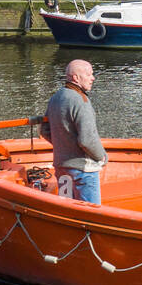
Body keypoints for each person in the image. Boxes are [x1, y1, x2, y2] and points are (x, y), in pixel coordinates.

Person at [40, 59, 107, 205]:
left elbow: (44, 130)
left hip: (61, 168)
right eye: (89, 74)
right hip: (83, 171)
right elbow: (87, 140)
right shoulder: (81, 101)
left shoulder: (55, 98)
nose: (93, 78)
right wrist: (102, 157)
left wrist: (64, 145)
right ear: (76, 78)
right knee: (90, 214)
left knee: (66, 210)